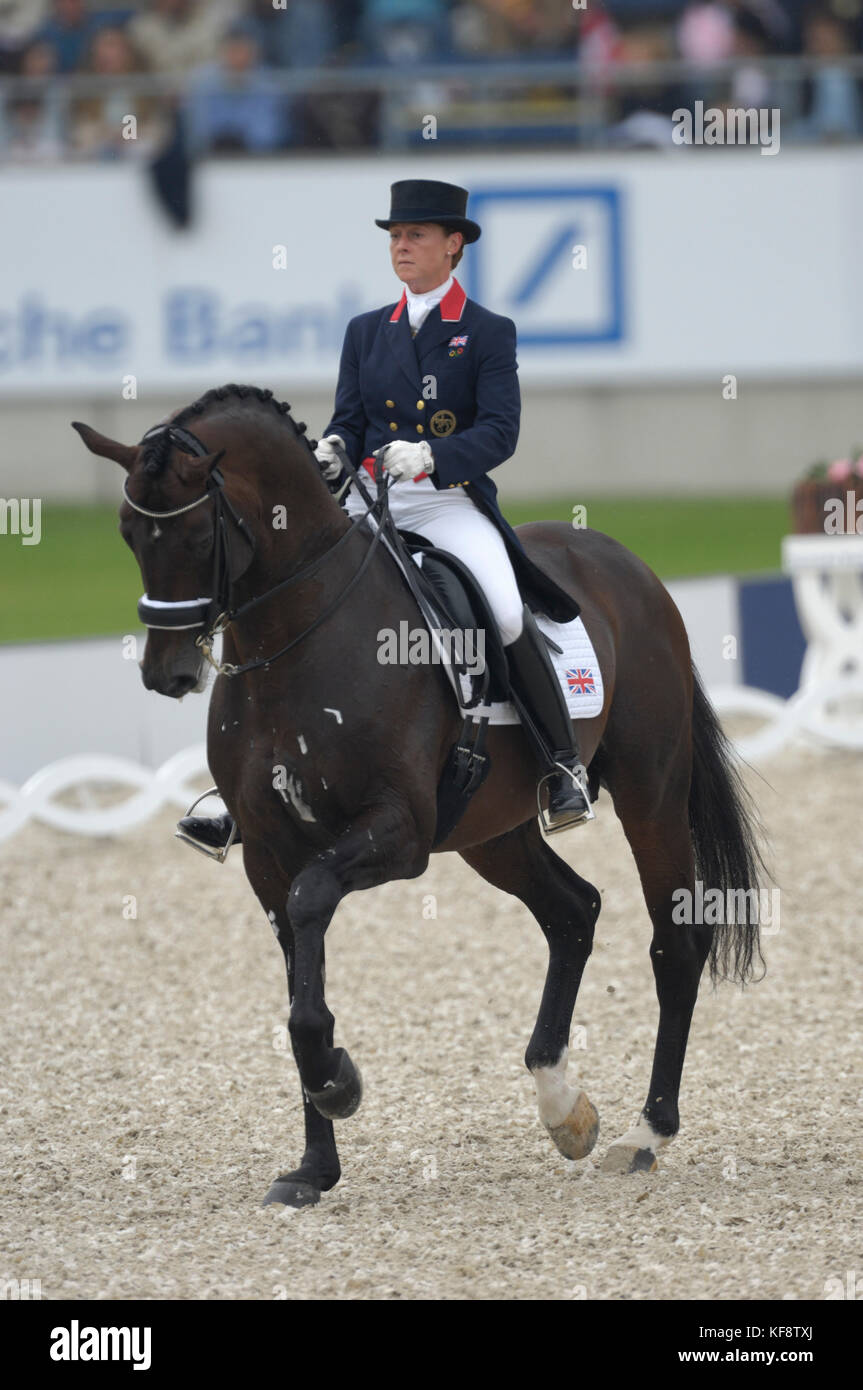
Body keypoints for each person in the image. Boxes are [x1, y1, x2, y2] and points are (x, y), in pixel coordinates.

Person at [178, 179, 593, 858]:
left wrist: (431, 455)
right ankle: (238, 794)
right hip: (366, 500)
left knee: (508, 610)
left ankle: (560, 765)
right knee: (272, 590)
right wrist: (336, 449)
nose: (401, 246)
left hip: (445, 499)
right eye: (395, 237)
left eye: (416, 235)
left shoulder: (486, 332)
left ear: (452, 245)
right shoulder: (366, 330)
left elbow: (499, 432)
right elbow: (348, 420)